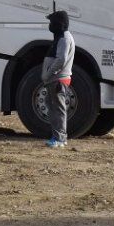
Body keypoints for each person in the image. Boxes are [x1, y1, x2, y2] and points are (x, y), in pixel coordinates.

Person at [41, 10, 75, 148]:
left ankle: (60, 139)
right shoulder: (62, 36)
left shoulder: (64, 38)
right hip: (55, 79)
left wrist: (48, 73)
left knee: (58, 110)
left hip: (57, 80)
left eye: (52, 22)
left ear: (58, 24)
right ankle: (57, 137)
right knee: (54, 109)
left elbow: (61, 59)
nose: (50, 25)